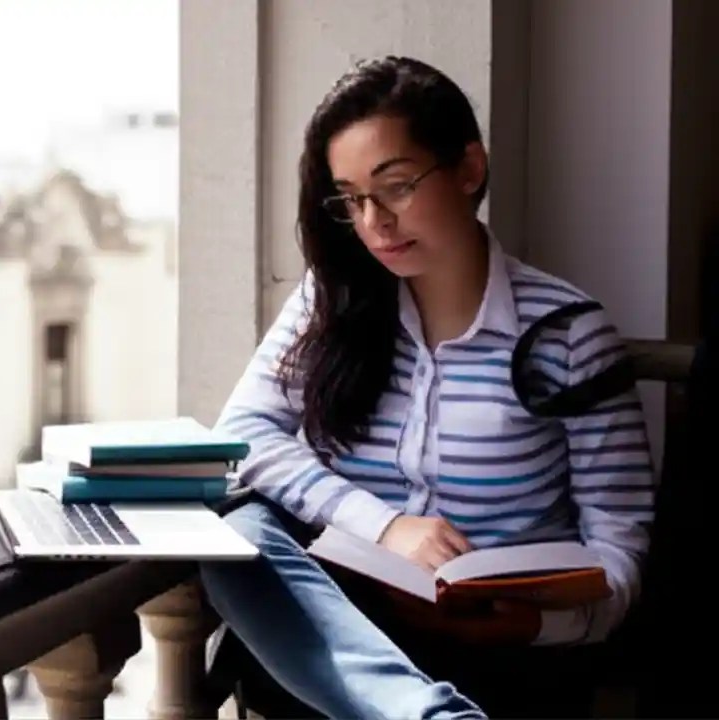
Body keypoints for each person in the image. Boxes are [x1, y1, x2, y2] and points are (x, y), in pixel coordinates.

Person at [199, 55, 655, 720]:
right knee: (239, 528)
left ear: (470, 169)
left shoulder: (568, 335)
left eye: (398, 185)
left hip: (501, 656)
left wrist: (533, 626)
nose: (375, 221)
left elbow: (620, 547)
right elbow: (241, 436)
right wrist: (385, 528)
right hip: (342, 638)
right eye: (352, 198)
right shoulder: (331, 302)